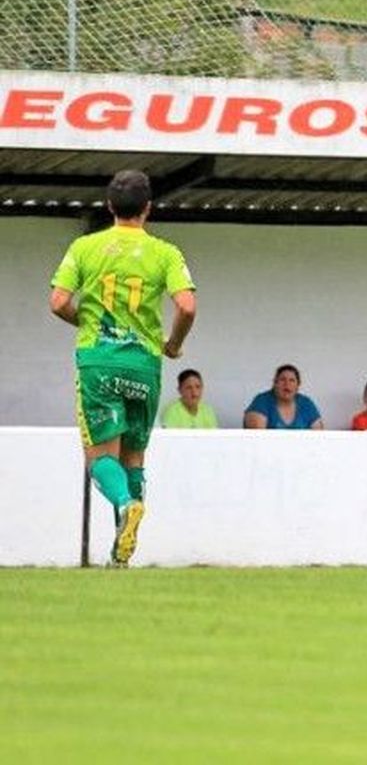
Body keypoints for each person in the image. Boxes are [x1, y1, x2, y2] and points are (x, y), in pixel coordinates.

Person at [49, 170, 196, 566]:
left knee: (100, 459)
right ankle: (122, 555)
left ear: (110, 206)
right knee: (134, 458)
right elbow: (186, 305)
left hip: (99, 361)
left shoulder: (85, 247)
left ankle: (126, 505)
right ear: (148, 208)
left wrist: (87, 322)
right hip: (145, 365)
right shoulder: (165, 253)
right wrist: (174, 346)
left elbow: (59, 301)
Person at [244, 364, 323, 430]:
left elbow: (319, 436)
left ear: (298, 385)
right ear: (275, 383)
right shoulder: (261, 401)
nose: (287, 384)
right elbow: (257, 437)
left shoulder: (306, 403)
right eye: (282, 379)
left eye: (292, 380)